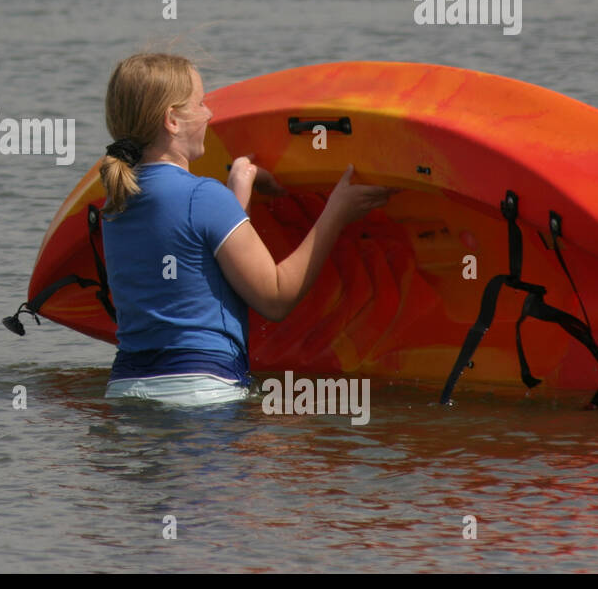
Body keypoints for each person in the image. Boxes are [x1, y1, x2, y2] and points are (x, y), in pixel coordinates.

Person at [98, 52, 393, 406]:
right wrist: (337, 210)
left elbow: (203, 263)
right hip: (200, 393)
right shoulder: (204, 197)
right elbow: (276, 297)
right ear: (172, 120)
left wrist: (241, 183)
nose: (209, 113)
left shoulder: (114, 202)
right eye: (200, 103)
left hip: (125, 391)